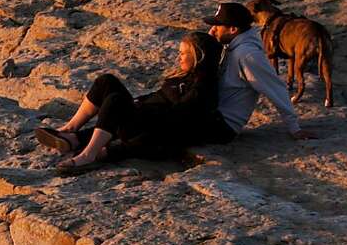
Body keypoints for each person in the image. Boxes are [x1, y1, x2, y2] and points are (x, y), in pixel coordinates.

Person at [35, 31, 224, 171]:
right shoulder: (185, 76)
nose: (178, 57)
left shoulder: (203, 87)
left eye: (183, 53)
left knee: (116, 101)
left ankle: (88, 155)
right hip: (144, 119)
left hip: (152, 131)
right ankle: (70, 133)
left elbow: (177, 123)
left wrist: (119, 147)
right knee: (106, 81)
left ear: (198, 56)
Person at [207, 2, 313, 140]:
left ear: (233, 29)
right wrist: (209, 43)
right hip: (213, 117)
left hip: (223, 126)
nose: (213, 29)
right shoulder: (232, 48)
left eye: (217, 25)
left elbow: (276, 88)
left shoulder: (247, 54)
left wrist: (294, 128)